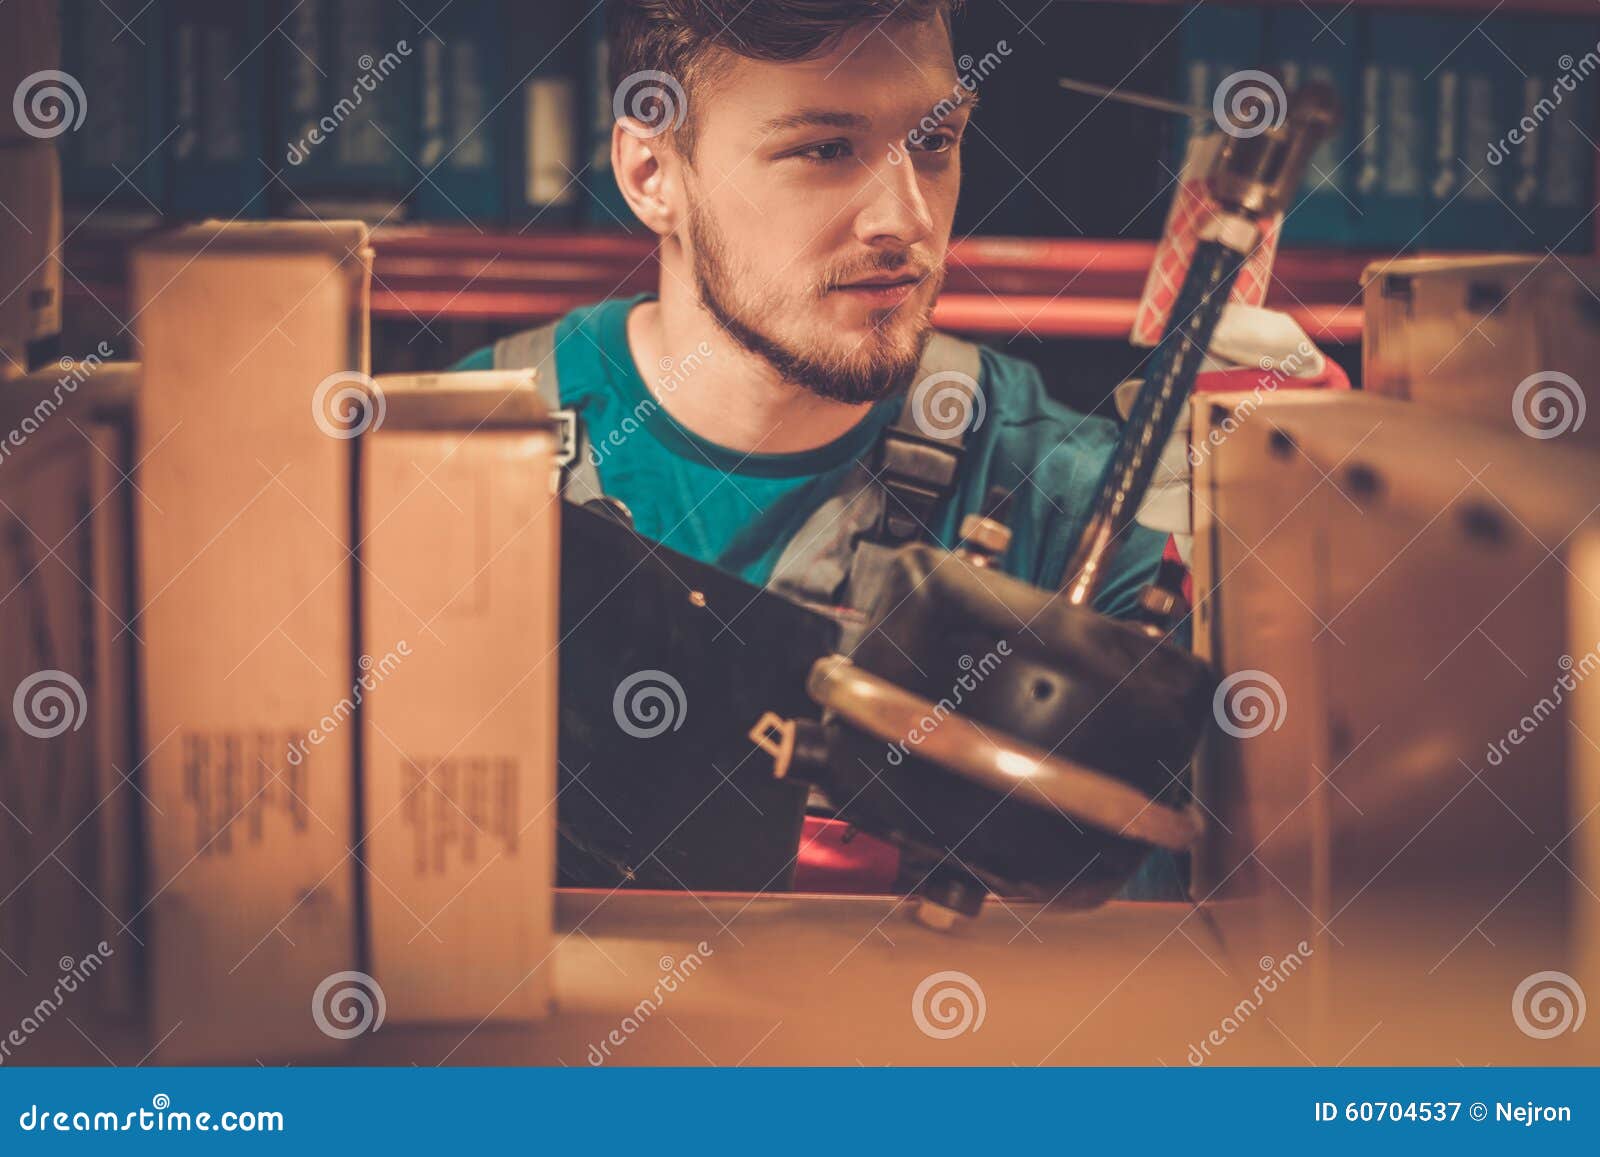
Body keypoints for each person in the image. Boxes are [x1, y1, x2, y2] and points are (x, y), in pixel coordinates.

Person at [455, 0, 1333, 898]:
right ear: (651, 172)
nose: (904, 218)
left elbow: (1334, 855)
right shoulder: (464, 461)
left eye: (935, 140)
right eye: (824, 150)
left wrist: (1312, 555)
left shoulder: (1067, 493)